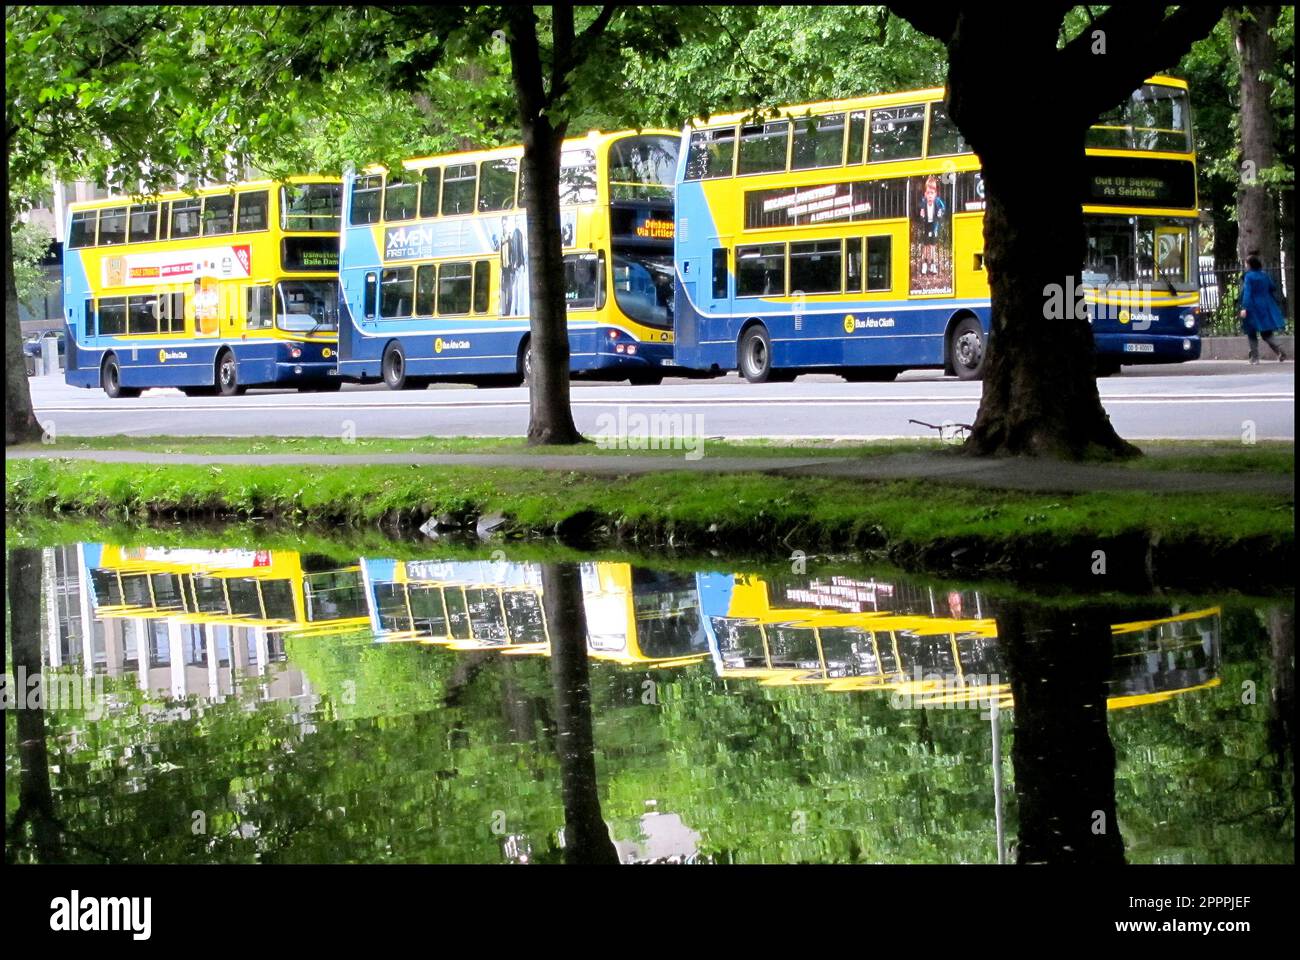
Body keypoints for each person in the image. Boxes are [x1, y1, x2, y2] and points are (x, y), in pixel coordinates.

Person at [1238, 255, 1287, 363]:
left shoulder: (1249, 276)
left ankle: (1255, 358)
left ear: (1249, 265)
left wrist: (1244, 307)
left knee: (1251, 332)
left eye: (1246, 263)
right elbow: (1272, 286)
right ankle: (1280, 349)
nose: (1245, 265)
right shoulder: (1264, 274)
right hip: (1266, 305)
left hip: (1253, 306)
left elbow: (1247, 293)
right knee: (1267, 333)